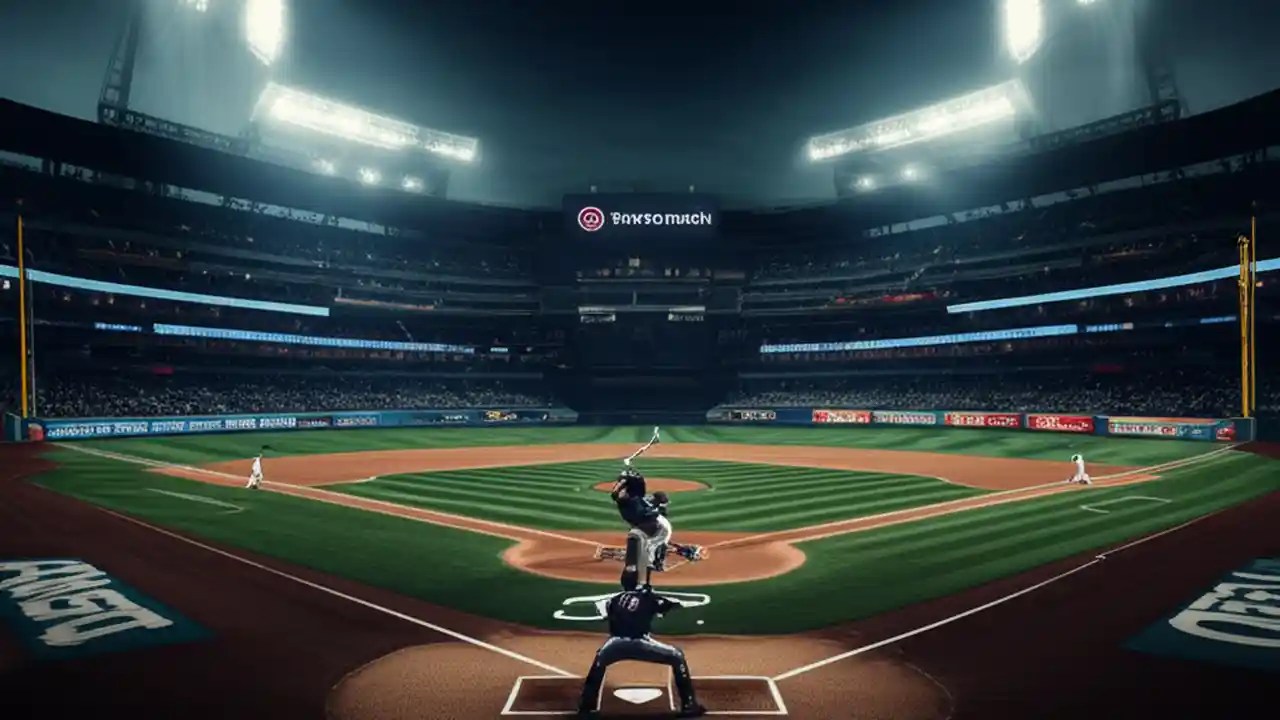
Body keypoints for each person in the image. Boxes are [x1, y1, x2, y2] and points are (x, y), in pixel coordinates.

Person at [576, 580, 706, 719]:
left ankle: (586, 707)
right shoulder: (649, 598)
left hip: (615, 643)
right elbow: (670, 605)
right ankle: (689, 705)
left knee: (600, 660)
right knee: (677, 656)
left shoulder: (616, 599)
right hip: (640, 642)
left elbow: (608, 613)